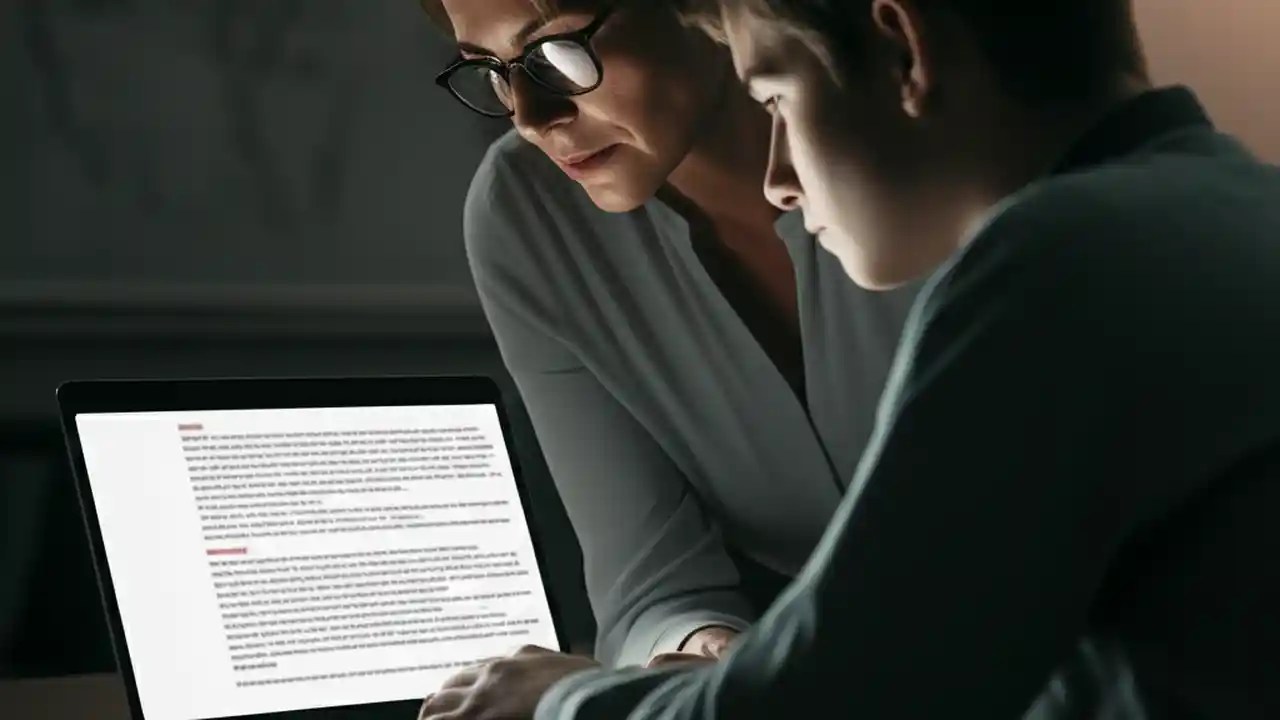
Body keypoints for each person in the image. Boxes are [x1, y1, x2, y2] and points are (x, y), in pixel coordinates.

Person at [416, 0, 1280, 718]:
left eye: (778, 104)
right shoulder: (1237, 207)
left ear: (905, 48)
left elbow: (831, 702)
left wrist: (567, 702)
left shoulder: (1053, 268)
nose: (778, 180)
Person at [418, 0, 918, 674]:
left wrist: (576, 699)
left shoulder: (940, 149)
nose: (533, 119)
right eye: (492, 72)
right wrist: (703, 653)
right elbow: (648, 586)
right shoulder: (528, 214)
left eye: (560, 51)